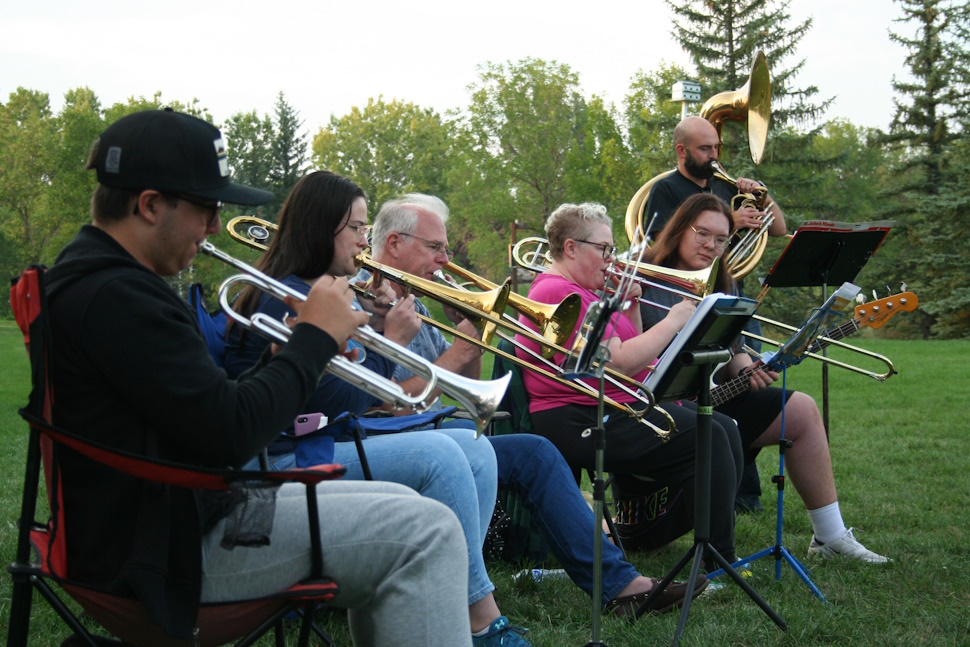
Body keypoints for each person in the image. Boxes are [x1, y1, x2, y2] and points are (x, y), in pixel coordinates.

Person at [47, 108, 472, 647]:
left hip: (161, 522)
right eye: (206, 207)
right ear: (150, 204)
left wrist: (279, 360)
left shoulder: (99, 280)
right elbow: (231, 435)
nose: (211, 225)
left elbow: (205, 414)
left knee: (419, 510)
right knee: (428, 533)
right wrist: (312, 342)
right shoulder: (121, 298)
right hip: (167, 549)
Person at [221, 171, 533, 646]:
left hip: (320, 441)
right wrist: (391, 343)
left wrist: (379, 333)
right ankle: (480, 620)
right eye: (357, 229)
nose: (363, 241)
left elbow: (347, 399)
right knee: (439, 455)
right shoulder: (285, 295)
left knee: (472, 448)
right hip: (282, 460)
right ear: (321, 229)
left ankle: (455, 596)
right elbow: (340, 404)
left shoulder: (322, 289)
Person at [364, 194, 709, 616]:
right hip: (389, 441)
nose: (444, 259)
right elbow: (380, 408)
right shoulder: (357, 302)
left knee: (534, 452)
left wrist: (470, 345)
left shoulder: (414, 304)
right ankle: (478, 608)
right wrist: (451, 353)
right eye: (435, 247)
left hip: (433, 432)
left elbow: (462, 395)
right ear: (395, 244)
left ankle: (619, 586)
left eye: (445, 249)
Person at [628, 193, 889, 564]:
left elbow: (731, 349)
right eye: (703, 234)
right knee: (720, 427)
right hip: (655, 409)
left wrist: (748, 368)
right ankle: (718, 554)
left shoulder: (722, 281)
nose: (711, 246)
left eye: (721, 239)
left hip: (708, 396)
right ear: (679, 229)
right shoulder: (643, 277)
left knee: (800, 410)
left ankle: (830, 537)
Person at [513, 201, 745, 570]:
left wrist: (629, 304)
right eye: (603, 249)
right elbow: (617, 362)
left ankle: (700, 545)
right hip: (578, 417)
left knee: (723, 427)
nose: (610, 258)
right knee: (709, 435)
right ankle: (719, 561)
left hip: (611, 405)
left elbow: (631, 351)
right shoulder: (560, 292)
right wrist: (673, 320)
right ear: (571, 248)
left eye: (611, 249)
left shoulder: (587, 291)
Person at [644, 115, 788, 513]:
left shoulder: (725, 186)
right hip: (682, 298)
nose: (713, 156)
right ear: (682, 150)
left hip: (726, 290)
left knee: (741, 376)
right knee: (707, 389)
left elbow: (778, 229)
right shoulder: (666, 190)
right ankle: (726, 490)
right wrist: (732, 220)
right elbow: (661, 245)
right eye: (705, 149)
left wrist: (759, 195)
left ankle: (743, 491)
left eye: (717, 148)